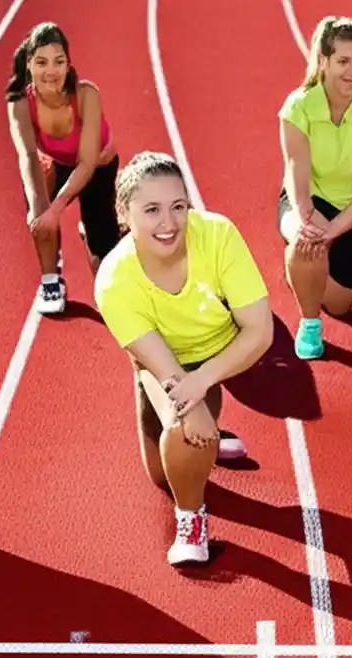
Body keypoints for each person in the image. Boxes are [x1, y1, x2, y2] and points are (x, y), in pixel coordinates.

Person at [93, 152, 273, 566]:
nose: (169, 223)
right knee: (170, 462)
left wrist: (203, 380)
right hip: (167, 358)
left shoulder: (217, 235)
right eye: (151, 210)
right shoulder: (114, 281)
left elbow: (260, 331)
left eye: (178, 206)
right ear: (124, 213)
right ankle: (206, 440)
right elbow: (170, 371)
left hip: (228, 343)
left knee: (193, 435)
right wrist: (188, 397)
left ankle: (191, 519)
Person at [277, 16, 352, 360]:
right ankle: (309, 323)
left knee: (339, 306)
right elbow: (296, 171)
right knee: (303, 243)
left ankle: (304, 278)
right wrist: (308, 220)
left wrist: (333, 231)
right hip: (308, 199)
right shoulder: (298, 108)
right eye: (343, 61)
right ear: (324, 62)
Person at [6, 21, 121, 314]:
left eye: (59, 62)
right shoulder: (19, 102)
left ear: (69, 65)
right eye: (41, 62)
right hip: (56, 162)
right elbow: (28, 156)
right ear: (29, 64)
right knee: (39, 216)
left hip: (97, 163)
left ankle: (113, 225)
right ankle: (50, 280)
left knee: (102, 255)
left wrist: (58, 209)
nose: (51, 71)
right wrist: (39, 209)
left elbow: (87, 162)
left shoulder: (86, 95)